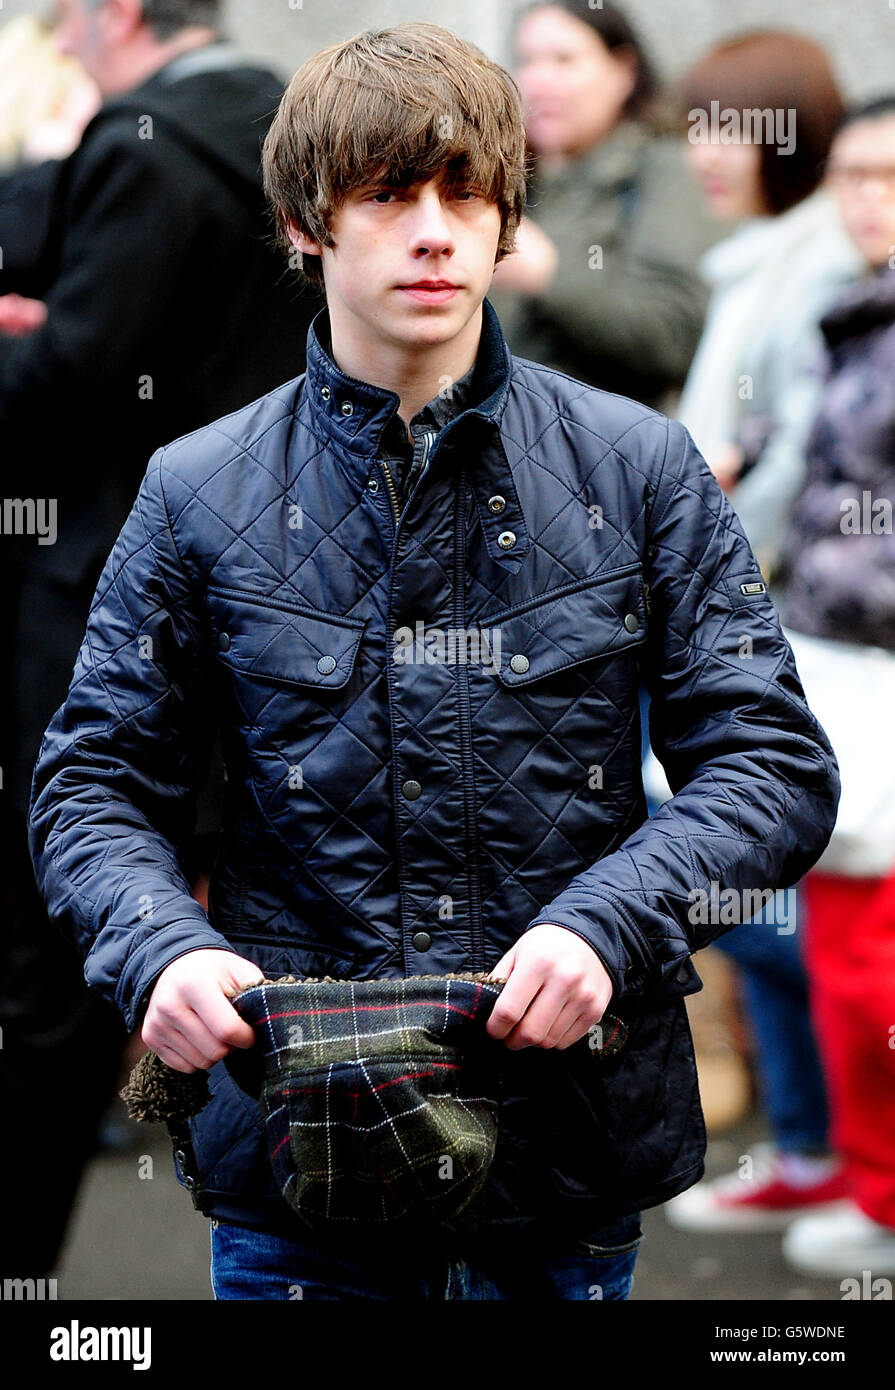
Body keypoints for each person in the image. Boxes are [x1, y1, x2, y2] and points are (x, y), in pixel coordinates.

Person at [28, 20, 840, 1302]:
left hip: (559, 1151)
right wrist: (160, 948)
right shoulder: (195, 488)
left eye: (467, 191)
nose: (433, 228)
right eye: (388, 193)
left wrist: (608, 925)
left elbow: (770, 760)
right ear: (306, 223)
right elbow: (89, 781)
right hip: (301, 1147)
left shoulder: (638, 468)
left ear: (508, 218)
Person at [0, 0, 317, 1278]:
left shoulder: (141, 147)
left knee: (56, 929)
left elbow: (76, 385)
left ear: (120, 11)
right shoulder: (295, 126)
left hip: (108, 590)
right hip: (286, 583)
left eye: (67, 14)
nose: (62, 39)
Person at [772, 97, 895, 1276]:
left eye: (889, 176)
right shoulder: (856, 310)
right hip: (838, 652)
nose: (867, 198)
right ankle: (860, 1171)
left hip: (878, 666)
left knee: (868, 953)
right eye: (851, 175)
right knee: (839, 940)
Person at [676, 31, 862, 576]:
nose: (703, 155)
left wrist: (709, 573)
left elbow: (796, 457)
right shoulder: (755, 259)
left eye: (729, 133)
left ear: (793, 136)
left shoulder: (824, 267)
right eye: (696, 129)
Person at [487, 0, 721, 411]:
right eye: (528, 61)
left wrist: (548, 276)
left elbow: (676, 335)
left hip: (601, 455)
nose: (538, 81)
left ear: (622, 72)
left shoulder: (662, 170)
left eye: (564, 59)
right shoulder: (512, 180)